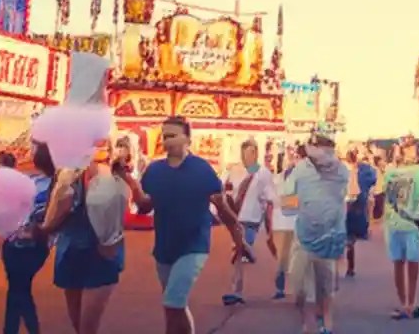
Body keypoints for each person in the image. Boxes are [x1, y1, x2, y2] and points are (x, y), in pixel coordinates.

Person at [119, 116, 249, 334]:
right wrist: (129, 181)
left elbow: (224, 211)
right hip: (164, 248)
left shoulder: (202, 169)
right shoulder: (154, 170)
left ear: (187, 139)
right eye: (165, 136)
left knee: (173, 301)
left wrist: (239, 239)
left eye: (173, 135)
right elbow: (144, 206)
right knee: (174, 306)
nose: (167, 140)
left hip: (194, 245)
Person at [43, 141, 129, 334]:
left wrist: (45, 229)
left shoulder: (71, 174)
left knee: (83, 324)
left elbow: (59, 210)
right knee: (86, 325)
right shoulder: (73, 174)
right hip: (92, 249)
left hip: (80, 249)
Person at [281, 124, 349, 334]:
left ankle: (324, 324)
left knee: (325, 287)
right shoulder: (300, 170)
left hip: (330, 238)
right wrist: (302, 207)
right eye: (318, 145)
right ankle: (307, 322)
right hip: (304, 238)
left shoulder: (341, 171)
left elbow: (341, 199)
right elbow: (287, 204)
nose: (323, 151)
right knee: (300, 288)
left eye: (326, 146)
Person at [3, 142, 55, 334]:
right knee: (18, 288)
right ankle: (14, 329)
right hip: (35, 243)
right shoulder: (54, 185)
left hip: (21, 241)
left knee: (18, 288)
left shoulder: (32, 182)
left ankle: (28, 328)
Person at [222, 139, 276, 305]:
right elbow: (225, 189)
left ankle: (236, 289)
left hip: (251, 219)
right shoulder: (235, 171)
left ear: (255, 154)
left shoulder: (263, 174)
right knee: (239, 252)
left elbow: (270, 198)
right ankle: (237, 288)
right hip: (235, 218)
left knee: (239, 252)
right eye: (244, 152)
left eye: (250, 152)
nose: (246, 156)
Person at [383, 141, 419, 320]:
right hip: (413, 224)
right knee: (412, 265)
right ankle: (410, 303)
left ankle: (404, 303)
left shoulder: (389, 171)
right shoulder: (418, 171)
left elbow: (385, 197)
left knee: (398, 263)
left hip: (393, 223)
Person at [269, 145, 303, 299]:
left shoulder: (302, 178)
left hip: (296, 222)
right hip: (281, 222)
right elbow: (273, 199)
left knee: (295, 258)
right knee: (281, 258)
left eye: (294, 156)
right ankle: (280, 288)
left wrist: (286, 202)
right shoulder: (277, 178)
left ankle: (297, 290)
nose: (291, 159)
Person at [343, 149, 377, 279]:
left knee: (344, 238)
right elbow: (372, 180)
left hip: (344, 206)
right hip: (355, 206)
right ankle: (350, 268)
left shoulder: (343, 170)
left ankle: (344, 267)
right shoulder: (362, 170)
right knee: (350, 240)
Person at [371, 155, 388, 221]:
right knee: (379, 205)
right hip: (378, 190)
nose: (382, 162)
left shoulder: (378, 169)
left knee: (378, 205)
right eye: (381, 161)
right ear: (378, 162)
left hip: (379, 190)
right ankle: (376, 218)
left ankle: (376, 217)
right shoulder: (377, 169)